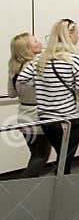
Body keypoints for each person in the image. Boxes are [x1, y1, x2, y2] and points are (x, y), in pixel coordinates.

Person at [17, 19, 79, 175]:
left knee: (60, 156)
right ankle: (62, 190)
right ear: (69, 35)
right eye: (76, 32)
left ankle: (59, 187)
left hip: (47, 120)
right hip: (68, 119)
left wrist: (42, 87)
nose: (78, 36)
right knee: (66, 160)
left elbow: (22, 79)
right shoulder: (75, 59)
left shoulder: (40, 59)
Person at [7, 33, 51, 178]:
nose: (39, 42)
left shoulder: (14, 68)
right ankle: (22, 185)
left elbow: (12, 93)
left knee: (35, 153)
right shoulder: (35, 66)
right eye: (35, 41)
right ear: (27, 48)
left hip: (23, 116)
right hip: (37, 116)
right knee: (42, 155)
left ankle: (30, 187)